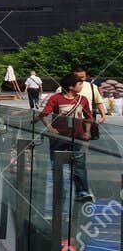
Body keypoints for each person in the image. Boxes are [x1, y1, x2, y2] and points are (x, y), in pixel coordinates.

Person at [36, 72, 95, 203]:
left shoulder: (83, 99)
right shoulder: (55, 98)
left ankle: (82, 192)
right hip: (59, 137)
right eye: (79, 84)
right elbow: (44, 114)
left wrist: (87, 132)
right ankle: (58, 191)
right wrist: (50, 128)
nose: (82, 86)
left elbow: (89, 118)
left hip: (77, 137)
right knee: (56, 165)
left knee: (79, 165)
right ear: (70, 87)